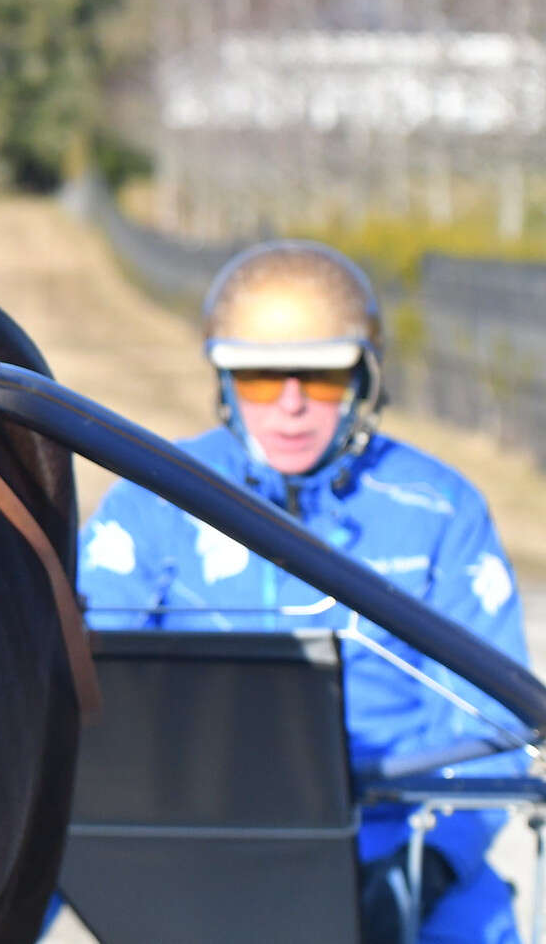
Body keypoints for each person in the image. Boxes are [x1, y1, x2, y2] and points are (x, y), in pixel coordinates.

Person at [79, 240, 531, 944]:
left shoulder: (440, 509)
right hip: (204, 851)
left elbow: (496, 724)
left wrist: (428, 871)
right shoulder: (155, 499)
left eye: (319, 379)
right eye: (260, 378)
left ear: (363, 380)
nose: (291, 405)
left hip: (402, 843)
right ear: (224, 382)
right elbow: (84, 689)